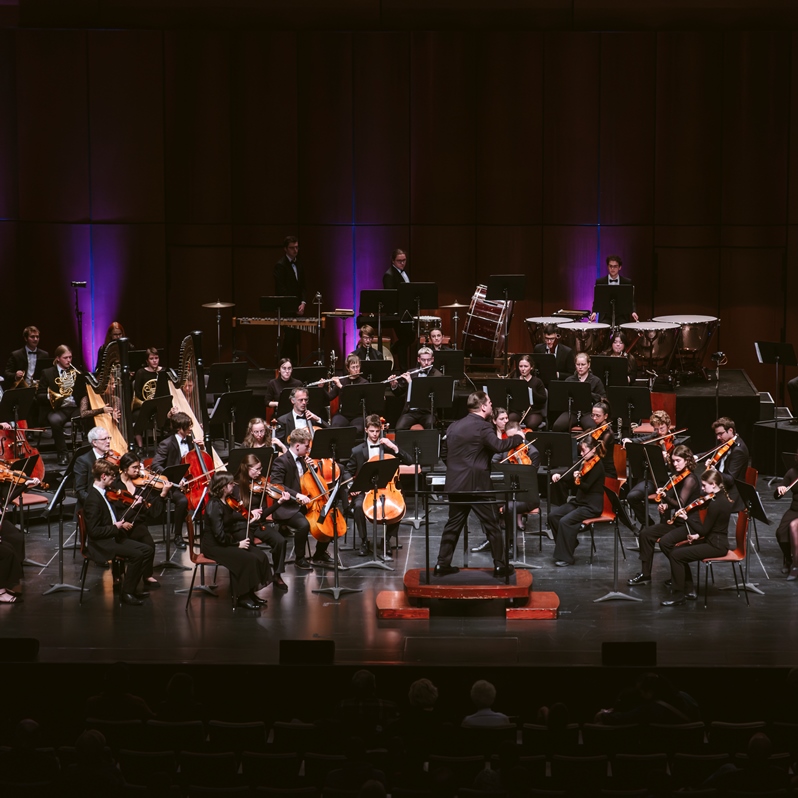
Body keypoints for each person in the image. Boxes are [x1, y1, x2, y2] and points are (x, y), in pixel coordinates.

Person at [435, 391, 523, 578]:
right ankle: (500, 566)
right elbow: (498, 446)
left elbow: (444, 452)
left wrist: (457, 469)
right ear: (483, 407)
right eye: (489, 402)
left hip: (457, 484)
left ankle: (442, 564)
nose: (491, 405)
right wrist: (518, 438)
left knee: (453, 525)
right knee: (492, 525)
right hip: (478, 486)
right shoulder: (484, 427)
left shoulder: (454, 426)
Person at [202, 472, 282, 610]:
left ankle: (250, 593)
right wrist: (237, 544)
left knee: (260, 555)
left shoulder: (226, 501)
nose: (233, 485)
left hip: (225, 541)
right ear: (223, 487)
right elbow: (219, 535)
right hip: (214, 546)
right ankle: (242, 597)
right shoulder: (214, 505)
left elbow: (230, 524)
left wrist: (249, 521)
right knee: (247, 559)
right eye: (230, 484)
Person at [627, 445, 702, 586]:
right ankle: (645, 574)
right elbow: (676, 502)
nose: (675, 464)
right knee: (645, 534)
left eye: (678, 460)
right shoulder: (678, 477)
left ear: (687, 460)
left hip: (689, 525)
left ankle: (683, 576)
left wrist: (665, 497)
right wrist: (667, 505)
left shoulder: (690, 479)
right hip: (678, 522)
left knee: (665, 543)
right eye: (673, 461)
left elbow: (680, 503)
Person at [82, 459, 155, 606]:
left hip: (113, 537)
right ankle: (126, 593)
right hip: (102, 544)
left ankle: (131, 588)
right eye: (112, 476)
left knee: (147, 550)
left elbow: (112, 516)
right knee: (137, 554)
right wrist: (116, 527)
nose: (114, 479)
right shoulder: (93, 500)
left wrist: (128, 513)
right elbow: (94, 532)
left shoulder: (106, 493)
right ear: (103, 476)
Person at [659, 469, 733, 606]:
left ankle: (678, 595)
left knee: (676, 555)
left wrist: (686, 518)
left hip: (716, 546)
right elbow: (712, 528)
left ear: (713, 484)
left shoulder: (716, 504)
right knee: (676, 551)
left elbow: (704, 530)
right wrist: (696, 536)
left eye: (704, 485)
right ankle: (685, 588)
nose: (702, 489)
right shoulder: (720, 497)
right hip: (714, 541)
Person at [346, 414, 412, 556]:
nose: (375, 435)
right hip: (365, 488)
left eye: (377, 431)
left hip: (388, 487)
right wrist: (352, 486)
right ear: (366, 430)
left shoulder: (388, 446)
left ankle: (386, 540)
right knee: (358, 506)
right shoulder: (357, 450)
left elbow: (409, 460)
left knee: (398, 506)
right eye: (372, 431)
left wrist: (394, 447)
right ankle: (364, 540)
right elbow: (347, 472)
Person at [269, 427, 331, 569]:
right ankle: (300, 558)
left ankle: (319, 553)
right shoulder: (281, 461)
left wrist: (313, 469)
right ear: (297, 446)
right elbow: (277, 485)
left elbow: (307, 482)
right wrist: (297, 495)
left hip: (305, 504)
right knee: (304, 525)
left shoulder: (303, 460)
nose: (309, 450)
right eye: (306, 447)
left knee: (328, 519)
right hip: (286, 506)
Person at [109, 452, 170, 589]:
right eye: (134, 468)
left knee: (150, 545)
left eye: (138, 467)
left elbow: (153, 512)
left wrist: (162, 494)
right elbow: (114, 511)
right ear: (125, 468)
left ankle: (147, 575)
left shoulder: (142, 485)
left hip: (138, 523)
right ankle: (117, 574)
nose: (138, 471)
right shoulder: (115, 485)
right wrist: (126, 517)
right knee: (121, 544)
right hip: (120, 524)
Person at [234, 453, 290, 590]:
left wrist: (279, 502)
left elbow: (263, 514)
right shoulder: (235, 486)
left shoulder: (260, 485)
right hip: (242, 525)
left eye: (261, 469)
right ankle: (252, 582)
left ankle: (277, 575)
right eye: (257, 469)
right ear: (247, 468)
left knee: (280, 541)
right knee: (250, 546)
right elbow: (232, 513)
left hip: (258, 524)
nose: (260, 473)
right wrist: (249, 514)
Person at [549, 436, 606, 566]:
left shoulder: (598, 466)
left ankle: (567, 558)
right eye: (580, 450)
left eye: (584, 450)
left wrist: (577, 480)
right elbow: (569, 474)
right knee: (553, 516)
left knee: (565, 521)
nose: (581, 453)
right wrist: (559, 475)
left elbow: (586, 487)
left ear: (593, 450)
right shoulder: (583, 462)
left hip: (591, 505)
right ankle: (570, 543)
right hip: (580, 502)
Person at [152, 411, 193, 550]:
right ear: (179, 428)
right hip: (172, 484)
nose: (190, 428)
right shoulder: (167, 443)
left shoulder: (190, 441)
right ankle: (178, 535)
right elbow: (156, 465)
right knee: (182, 501)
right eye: (187, 426)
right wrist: (173, 479)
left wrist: (202, 448)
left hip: (189, 481)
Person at [37, 345, 83, 465]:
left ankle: (84, 451)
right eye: (65, 358)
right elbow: (39, 395)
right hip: (58, 409)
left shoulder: (77, 373)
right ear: (58, 358)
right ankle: (62, 453)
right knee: (55, 421)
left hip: (75, 407)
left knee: (87, 416)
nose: (69, 360)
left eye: (70, 357)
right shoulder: (47, 373)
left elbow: (82, 393)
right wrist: (52, 397)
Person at [390, 347, 443, 431]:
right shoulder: (411, 373)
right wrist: (394, 385)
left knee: (430, 426)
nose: (426, 363)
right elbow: (398, 393)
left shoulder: (437, 375)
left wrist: (411, 383)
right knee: (399, 428)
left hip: (427, 412)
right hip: (411, 412)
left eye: (428, 360)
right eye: (423, 360)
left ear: (432, 359)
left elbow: (426, 395)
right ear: (418, 359)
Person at [551, 353, 606, 432]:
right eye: (578, 364)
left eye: (583, 364)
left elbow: (602, 399)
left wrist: (587, 393)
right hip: (572, 412)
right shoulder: (569, 380)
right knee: (557, 426)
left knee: (593, 429)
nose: (580, 367)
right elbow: (562, 398)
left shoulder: (596, 380)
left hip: (588, 413)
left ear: (588, 365)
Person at [704, 416, 749, 512]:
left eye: (720, 434)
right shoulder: (727, 443)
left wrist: (714, 472)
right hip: (721, 486)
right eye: (717, 434)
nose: (718, 437)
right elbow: (711, 453)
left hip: (731, 494)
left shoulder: (738, 450)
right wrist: (696, 457)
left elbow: (730, 479)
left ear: (730, 430)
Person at [274, 236, 307, 363]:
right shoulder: (280, 265)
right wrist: (294, 307)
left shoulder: (299, 263)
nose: (295, 250)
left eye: (297, 247)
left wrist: (303, 303)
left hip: (298, 308)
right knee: (289, 339)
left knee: (294, 340)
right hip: (286, 310)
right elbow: (281, 290)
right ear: (285, 249)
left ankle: (293, 366)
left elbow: (303, 286)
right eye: (292, 248)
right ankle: (283, 365)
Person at [382, 248, 414, 371]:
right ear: (393, 261)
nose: (402, 263)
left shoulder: (404, 273)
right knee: (405, 339)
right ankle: (403, 369)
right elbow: (390, 296)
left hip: (406, 313)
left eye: (404, 260)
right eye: (399, 261)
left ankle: (395, 349)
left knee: (409, 338)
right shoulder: (389, 275)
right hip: (397, 314)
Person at [589, 254, 639, 326]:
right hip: (605, 316)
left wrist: (633, 311)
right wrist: (594, 312)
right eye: (610, 266)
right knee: (603, 330)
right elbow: (597, 300)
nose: (612, 269)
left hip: (622, 316)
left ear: (620, 267)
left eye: (615, 266)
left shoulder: (627, 282)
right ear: (607, 267)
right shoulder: (600, 281)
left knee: (623, 330)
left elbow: (631, 300)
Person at [4, 325, 49, 401]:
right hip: (22, 390)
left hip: (39, 390)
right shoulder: (16, 355)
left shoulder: (44, 355)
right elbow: (6, 373)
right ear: (25, 338)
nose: (35, 339)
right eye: (32, 337)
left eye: (37, 337)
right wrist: (15, 375)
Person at [329, 354, 370, 433]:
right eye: (353, 367)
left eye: (357, 367)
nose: (356, 370)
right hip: (342, 414)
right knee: (335, 426)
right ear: (348, 368)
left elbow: (352, 397)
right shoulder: (342, 380)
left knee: (357, 430)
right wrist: (321, 387)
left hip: (358, 416)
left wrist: (341, 387)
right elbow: (329, 397)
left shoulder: (363, 382)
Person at [132, 347, 163, 449]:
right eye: (151, 358)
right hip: (145, 404)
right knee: (137, 416)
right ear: (147, 361)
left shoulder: (163, 371)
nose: (154, 361)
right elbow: (137, 392)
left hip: (160, 404)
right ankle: (140, 447)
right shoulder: (141, 372)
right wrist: (147, 401)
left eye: (156, 358)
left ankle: (165, 443)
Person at [774, 449, 798, 579]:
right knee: (781, 532)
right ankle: (788, 559)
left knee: (793, 526)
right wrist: (780, 489)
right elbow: (776, 496)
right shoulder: (792, 472)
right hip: (795, 509)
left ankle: (796, 564)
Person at [510, 355, 547, 430]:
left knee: (531, 423)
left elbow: (543, 399)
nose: (523, 369)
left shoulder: (537, 381)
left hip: (533, 411)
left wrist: (531, 392)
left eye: (526, 366)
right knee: (508, 420)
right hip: (518, 411)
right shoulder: (515, 381)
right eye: (520, 366)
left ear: (531, 367)